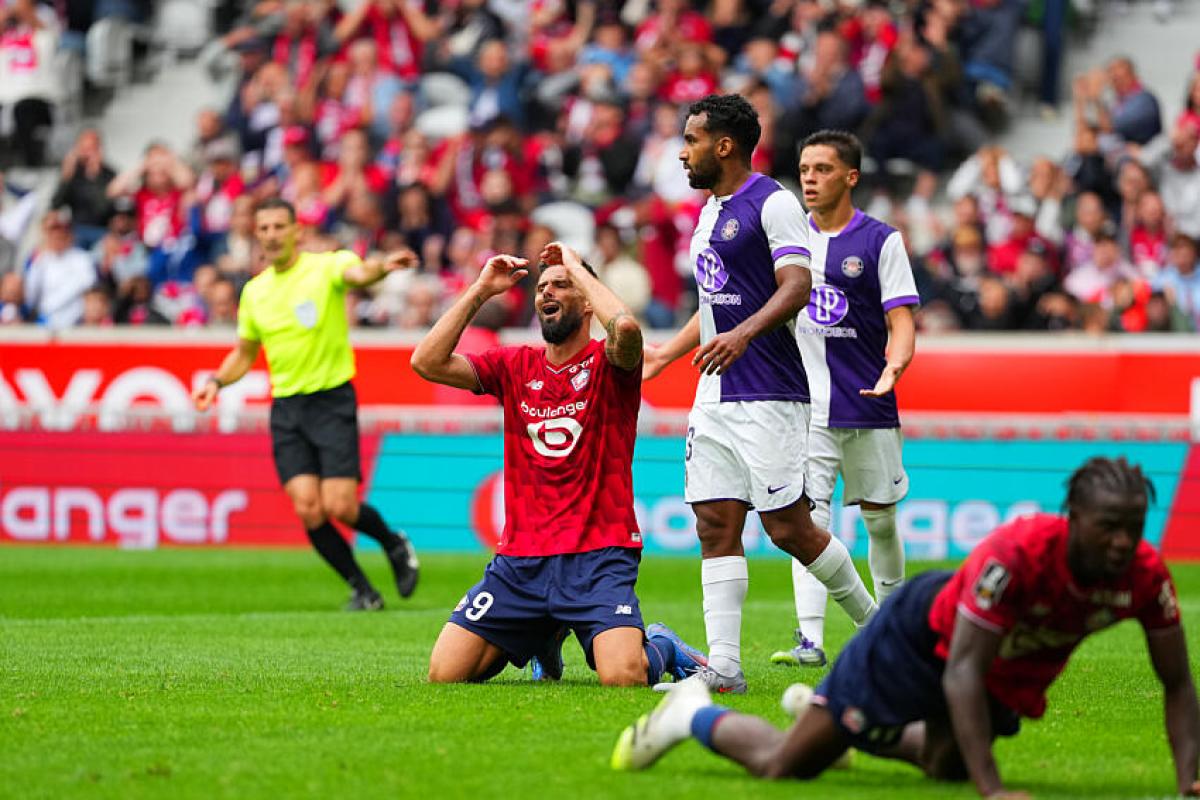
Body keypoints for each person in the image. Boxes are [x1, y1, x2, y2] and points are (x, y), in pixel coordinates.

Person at [612, 457, 1200, 799]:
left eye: (1133, 527)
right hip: (917, 639)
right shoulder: (1016, 555)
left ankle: (848, 724)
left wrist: (1189, 780)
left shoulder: (1145, 576)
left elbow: (1176, 682)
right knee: (786, 766)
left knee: (947, 766)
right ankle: (692, 712)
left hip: (988, 662)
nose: (1123, 542)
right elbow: (961, 670)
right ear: (1074, 520)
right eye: (1108, 528)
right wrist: (993, 790)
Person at [643, 94, 877, 694]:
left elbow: (796, 286)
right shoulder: (709, 213)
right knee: (714, 523)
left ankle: (880, 629)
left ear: (724, 145)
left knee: (789, 528)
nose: (682, 151)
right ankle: (724, 668)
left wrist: (744, 336)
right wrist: (668, 355)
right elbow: (715, 303)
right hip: (715, 393)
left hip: (769, 391)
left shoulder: (772, 203)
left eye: (691, 140)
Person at [411, 241, 706, 687]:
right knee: (445, 673)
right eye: (542, 286)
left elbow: (625, 328)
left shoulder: (611, 364)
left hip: (599, 554)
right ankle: (543, 634)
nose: (546, 292)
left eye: (561, 285)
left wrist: (578, 267)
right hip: (520, 562)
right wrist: (480, 290)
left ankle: (663, 645)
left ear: (588, 299)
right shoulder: (515, 365)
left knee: (622, 677)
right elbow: (426, 361)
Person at [191, 197, 419, 611]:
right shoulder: (255, 293)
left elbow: (359, 272)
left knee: (340, 507)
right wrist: (215, 381)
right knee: (308, 507)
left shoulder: (325, 266)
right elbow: (244, 352)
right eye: (264, 228)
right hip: (287, 408)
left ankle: (393, 542)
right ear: (255, 235)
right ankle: (363, 590)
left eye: (280, 226)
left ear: (297, 231)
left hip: (331, 400)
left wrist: (381, 266)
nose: (272, 235)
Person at [774, 130, 918, 668]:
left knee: (880, 520)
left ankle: (893, 625)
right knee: (808, 522)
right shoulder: (787, 240)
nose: (809, 178)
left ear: (850, 176)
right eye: (805, 168)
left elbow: (901, 320)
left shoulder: (882, 241)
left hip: (869, 404)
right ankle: (810, 639)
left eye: (822, 169)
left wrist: (895, 366)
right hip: (805, 409)